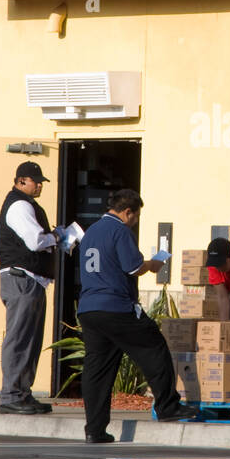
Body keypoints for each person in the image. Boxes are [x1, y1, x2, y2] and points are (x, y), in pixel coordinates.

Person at [76, 189, 202, 443]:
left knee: (97, 370)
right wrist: (153, 264)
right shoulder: (120, 230)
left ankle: (95, 429)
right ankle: (168, 406)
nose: (135, 221)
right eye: (135, 216)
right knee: (154, 347)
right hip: (116, 306)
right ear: (127, 212)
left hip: (89, 308)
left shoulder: (91, 232)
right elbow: (133, 267)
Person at [0, 160, 58, 415]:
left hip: (29, 281)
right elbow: (35, 241)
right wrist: (58, 237)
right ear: (21, 181)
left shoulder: (27, 204)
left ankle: (23, 393)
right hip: (21, 279)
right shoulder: (19, 205)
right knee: (20, 338)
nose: (40, 185)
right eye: (36, 181)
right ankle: (11, 395)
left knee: (30, 340)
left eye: (41, 181)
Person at [205, 236, 230, 321]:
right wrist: (224, 326)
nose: (219, 267)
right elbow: (222, 296)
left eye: (222, 263)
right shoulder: (213, 267)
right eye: (216, 264)